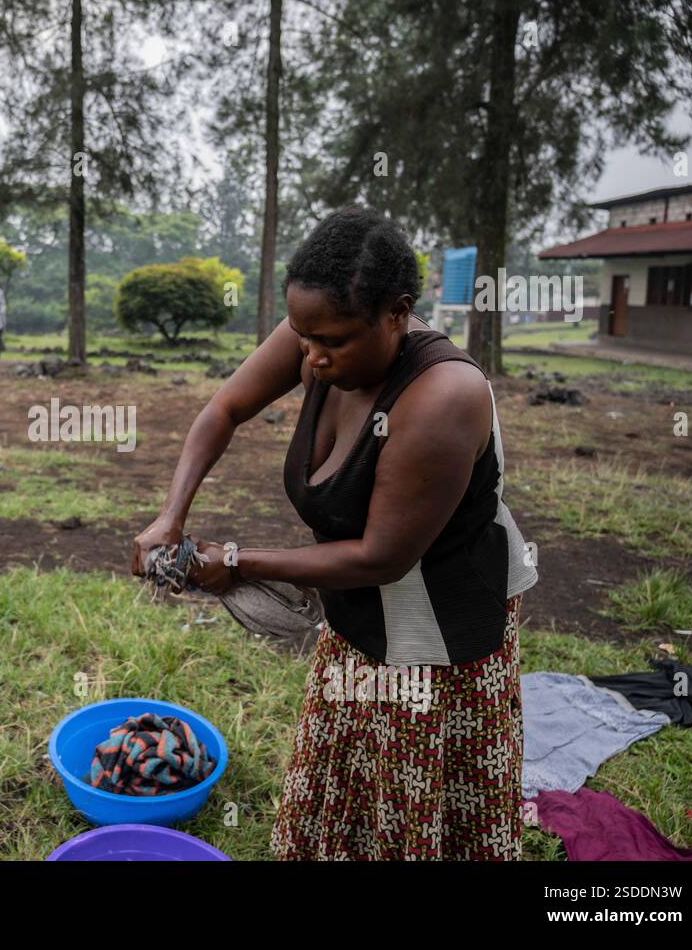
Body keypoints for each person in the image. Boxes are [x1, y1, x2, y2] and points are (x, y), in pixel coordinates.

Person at [130, 207, 538, 861]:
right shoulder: (318, 333)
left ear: (398, 313)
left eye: (334, 342)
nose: (313, 359)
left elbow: (382, 556)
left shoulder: (443, 397)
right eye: (302, 336)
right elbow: (224, 408)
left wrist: (235, 561)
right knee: (347, 769)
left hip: (436, 629)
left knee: (413, 803)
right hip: (355, 611)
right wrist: (170, 516)